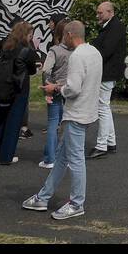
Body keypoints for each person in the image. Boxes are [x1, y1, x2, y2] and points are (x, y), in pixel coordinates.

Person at [22, 19, 102, 220]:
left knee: (75, 160)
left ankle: (76, 203)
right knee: (63, 157)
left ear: (68, 35)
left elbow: (73, 89)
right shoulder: (95, 52)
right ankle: (44, 196)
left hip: (76, 112)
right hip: (87, 110)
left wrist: (56, 88)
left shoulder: (77, 56)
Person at [0, 21, 39, 164]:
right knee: (13, 122)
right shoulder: (26, 50)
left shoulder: (6, 43)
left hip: (2, 85)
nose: (31, 38)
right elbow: (32, 70)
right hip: (19, 88)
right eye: (30, 35)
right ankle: (6, 156)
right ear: (26, 35)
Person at [90, 1, 125, 159]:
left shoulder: (115, 27)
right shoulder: (113, 26)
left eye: (100, 13)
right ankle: (110, 143)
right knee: (105, 107)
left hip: (106, 73)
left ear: (110, 12)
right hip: (108, 72)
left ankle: (101, 145)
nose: (98, 15)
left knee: (102, 108)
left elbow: (106, 50)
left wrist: (90, 57)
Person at [39, 19, 72, 170]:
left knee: (53, 123)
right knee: (68, 124)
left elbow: (46, 70)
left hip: (55, 88)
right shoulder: (77, 51)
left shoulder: (54, 50)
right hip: (70, 89)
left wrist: (48, 86)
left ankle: (50, 158)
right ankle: (66, 157)